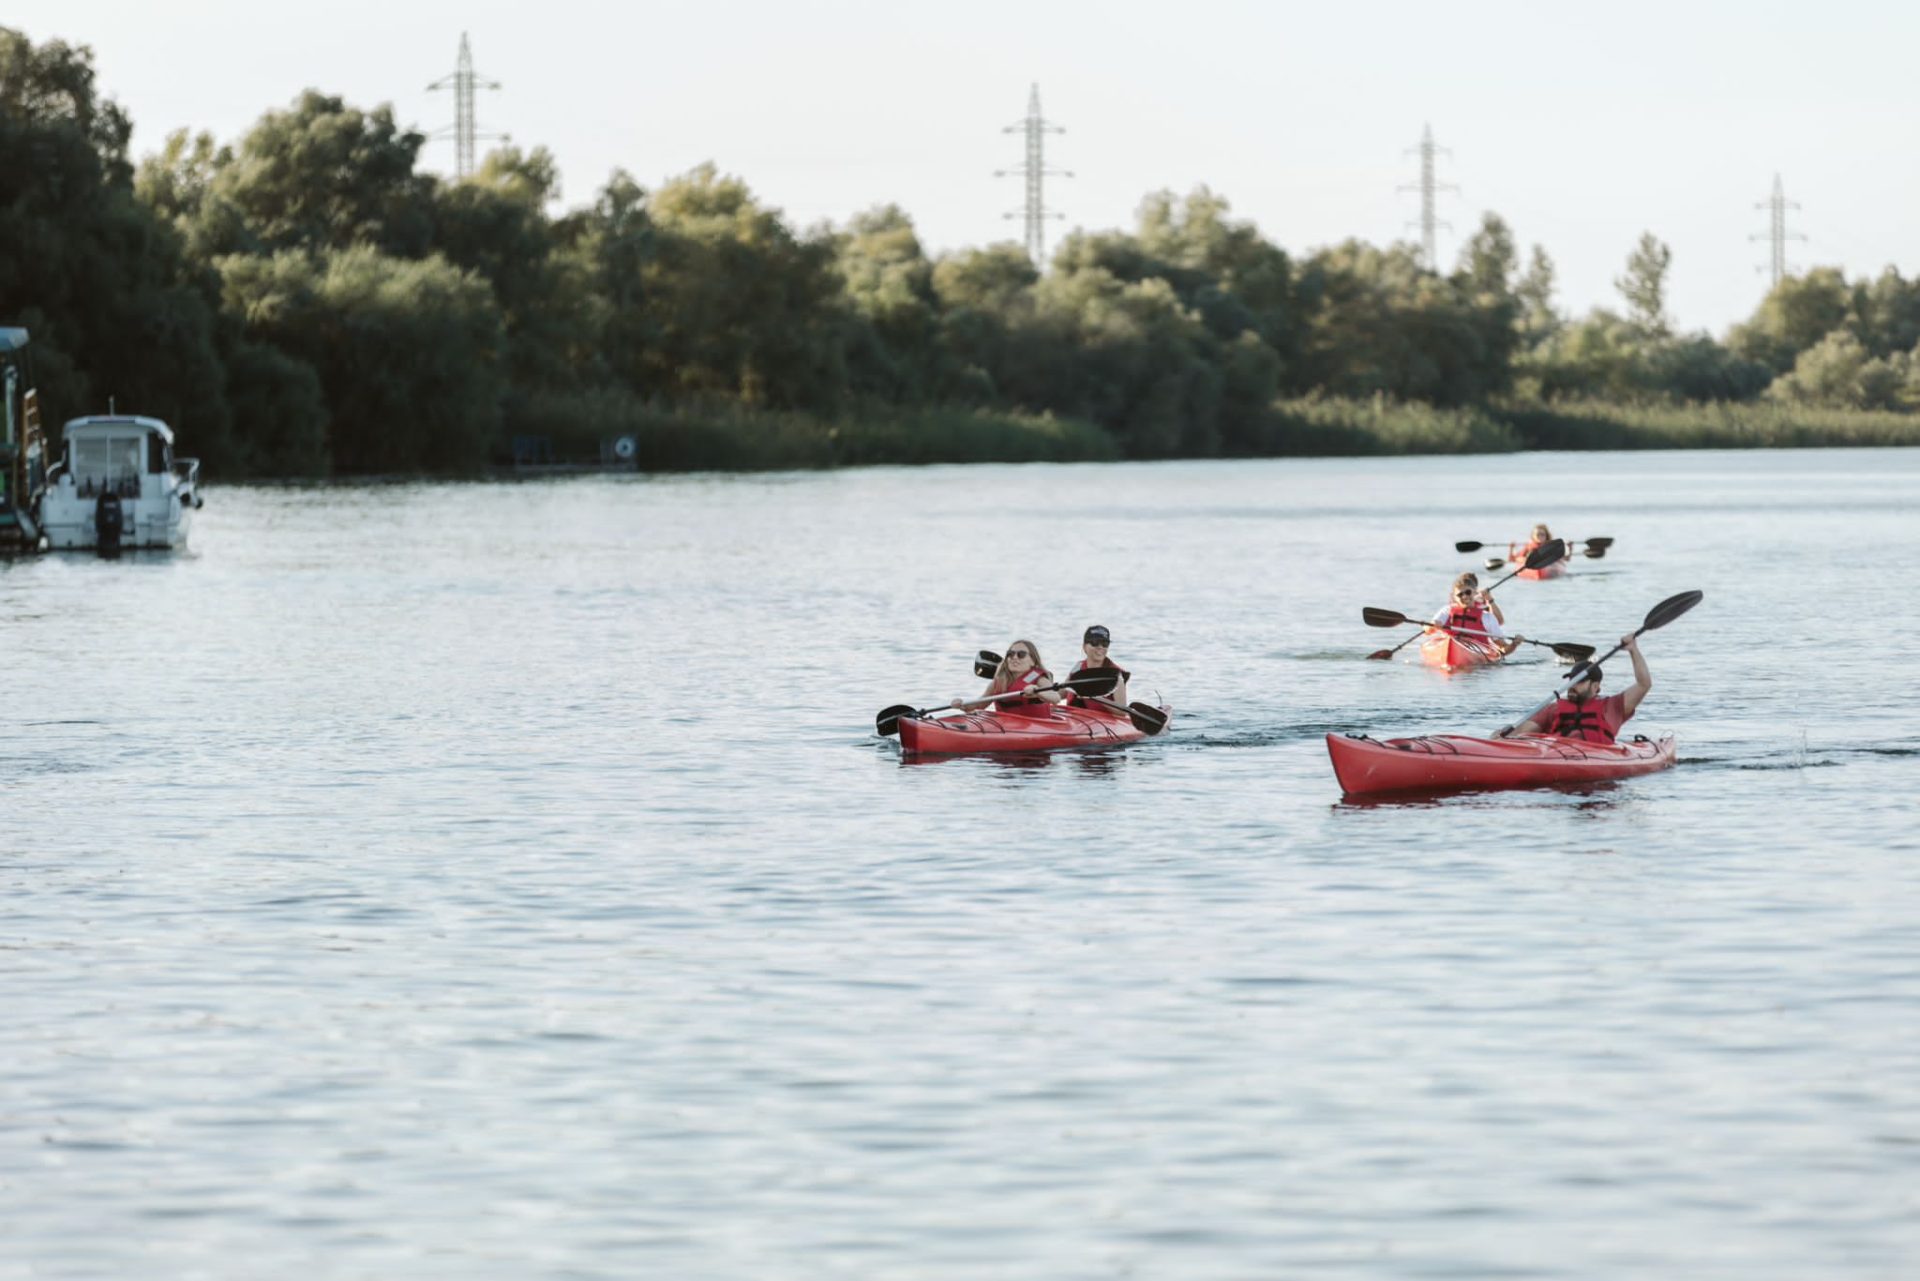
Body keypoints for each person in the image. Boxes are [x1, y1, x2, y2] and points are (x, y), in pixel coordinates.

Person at [1495, 634, 1652, 742]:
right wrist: (1501, 736)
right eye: (1571, 681)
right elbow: (1522, 732)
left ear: (1596, 686)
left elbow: (1644, 684)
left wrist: (1633, 650)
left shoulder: (1613, 707)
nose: (1572, 686)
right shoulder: (1553, 709)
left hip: (1598, 760)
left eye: (1579, 681)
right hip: (1557, 756)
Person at [951, 640, 1061, 713]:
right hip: (1006, 723)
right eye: (1010, 654)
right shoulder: (997, 683)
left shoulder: (1040, 680)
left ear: (1032, 661)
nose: (1014, 657)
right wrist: (963, 705)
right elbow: (979, 705)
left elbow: (1056, 698)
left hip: (1035, 725)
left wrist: (1038, 691)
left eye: (1021, 655)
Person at [1431, 572, 1522, 657]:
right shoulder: (1447, 611)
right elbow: (1427, 629)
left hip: (1477, 649)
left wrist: (1514, 645)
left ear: (1475, 593)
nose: (1465, 596)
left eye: (1468, 592)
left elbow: (1503, 648)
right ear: (1454, 597)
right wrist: (1432, 625)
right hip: (1450, 643)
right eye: (1460, 594)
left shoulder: (1487, 617)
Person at [1063, 624, 1130, 707]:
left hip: (1102, 719)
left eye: (1104, 644)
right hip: (1075, 716)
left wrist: (1094, 696)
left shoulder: (1115, 675)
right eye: (1095, 643)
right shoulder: (1078, 667)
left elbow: (1122, 711)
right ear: (1084, 647)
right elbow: (1061, 693)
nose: (1100, 647)